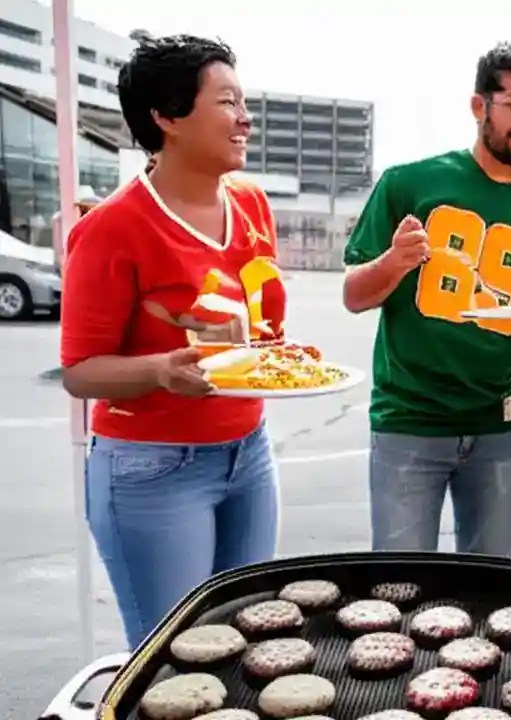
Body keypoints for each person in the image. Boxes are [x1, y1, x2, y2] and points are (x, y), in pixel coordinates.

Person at [60, 34, 285, 648]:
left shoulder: (252, 203)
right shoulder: (113, 227)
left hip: (249, 451)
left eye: (244, 100)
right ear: (167, 117)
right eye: (227, 102)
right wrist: (162, 368)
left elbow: (263, 329)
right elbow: (80, 371)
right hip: (152, 468)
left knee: (245, 645)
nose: (245, 118)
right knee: (172, 660)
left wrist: (270, 354)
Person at [342, 42, 511, 557]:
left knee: (488, 587)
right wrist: (394, 261)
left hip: (501, 428)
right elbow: (354, 296)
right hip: (410, 421)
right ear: (479, 106)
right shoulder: (409, 184)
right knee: (398, 588)